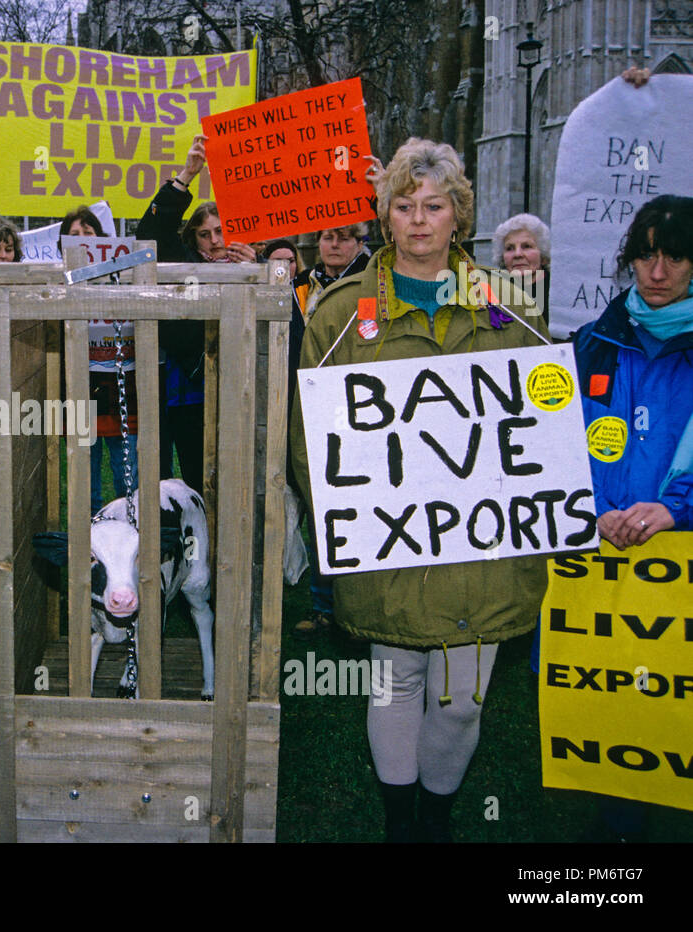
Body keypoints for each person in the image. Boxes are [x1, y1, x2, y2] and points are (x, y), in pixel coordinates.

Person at [290, 139, 547, 842]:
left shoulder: (512, 309)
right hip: (388, 544)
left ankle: (438, 815)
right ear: (385, 216)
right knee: (394, 680)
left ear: (458, 214)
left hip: (483, 549)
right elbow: (308, 439)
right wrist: (341, 522)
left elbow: (543, 426)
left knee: (462, 702)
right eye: (404, 206)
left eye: (434, 206)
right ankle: (402, 824)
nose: (419, 221)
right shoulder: (338, 314)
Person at [572, 194, 693, 841]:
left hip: (683, 560)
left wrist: (676, 513)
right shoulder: (592, 344)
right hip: (603, 558)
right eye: (645, 253)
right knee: (613, 696)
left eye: (673, 254)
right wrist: (597, 513)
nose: (658, 268)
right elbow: (558, 448)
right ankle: (617, 826)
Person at [136, 134, 256, 496]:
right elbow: (149, 233)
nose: (216, 241)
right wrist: (187, 174)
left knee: (237, 477)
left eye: (221, 231)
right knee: (194, 477)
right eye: (205, 234)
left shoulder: (253, 264)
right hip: (190, 392)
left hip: (242, 390)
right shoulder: (183, 262)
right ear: (194, 239)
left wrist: (257, 270)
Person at [290, 222, 372, 636]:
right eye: (326, 237)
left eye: (344, 237)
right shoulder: (302, 285)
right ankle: (324, 607)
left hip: (363, 409)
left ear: (360, 243)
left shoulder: (375, 282)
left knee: (365, 508)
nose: (334, 244)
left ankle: (361, 606)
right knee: (321, 508)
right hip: (310, 406)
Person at [56, 210, 141, 513]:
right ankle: (89, 542)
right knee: (84, 474)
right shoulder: (55, 281)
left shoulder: (127, 278)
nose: (81, 241)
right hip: (79, 388)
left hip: (122, 386)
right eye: (73, 235)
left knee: (126, 472)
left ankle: (130, 530)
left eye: (87, 233)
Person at [492, 212, 549, 322]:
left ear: (543, 255)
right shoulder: (494, 295)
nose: (517, 254)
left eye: (527, 246)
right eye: (509, 248)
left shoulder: (559, 295)